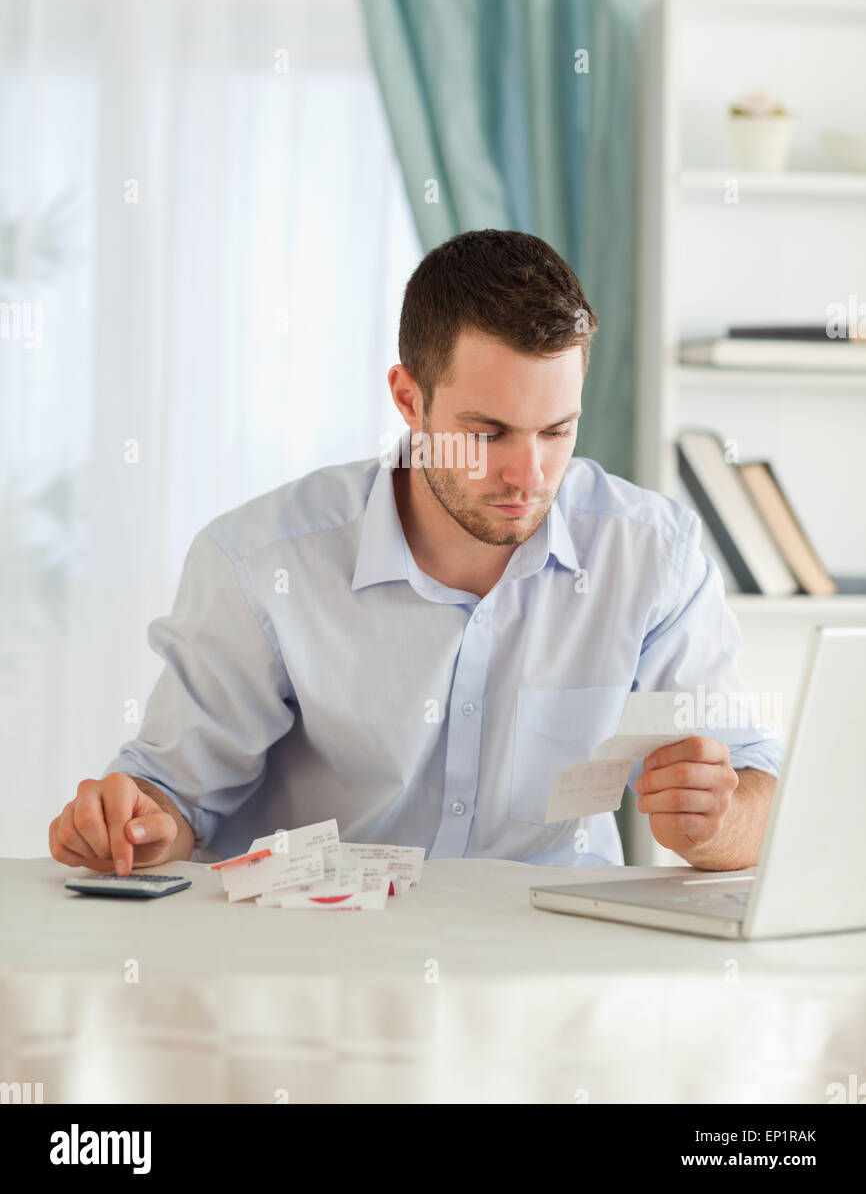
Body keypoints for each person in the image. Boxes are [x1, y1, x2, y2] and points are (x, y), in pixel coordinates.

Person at [49, 229, 780, 877]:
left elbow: (758, 794)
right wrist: (135, 828)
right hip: (322, 968)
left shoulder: (654, 558)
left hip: (547, 974)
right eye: (488, 433)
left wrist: (719, 822)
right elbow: (174, 797)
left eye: (557, 430)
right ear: (408, 398)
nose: (529, 476)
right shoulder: (261, 566)